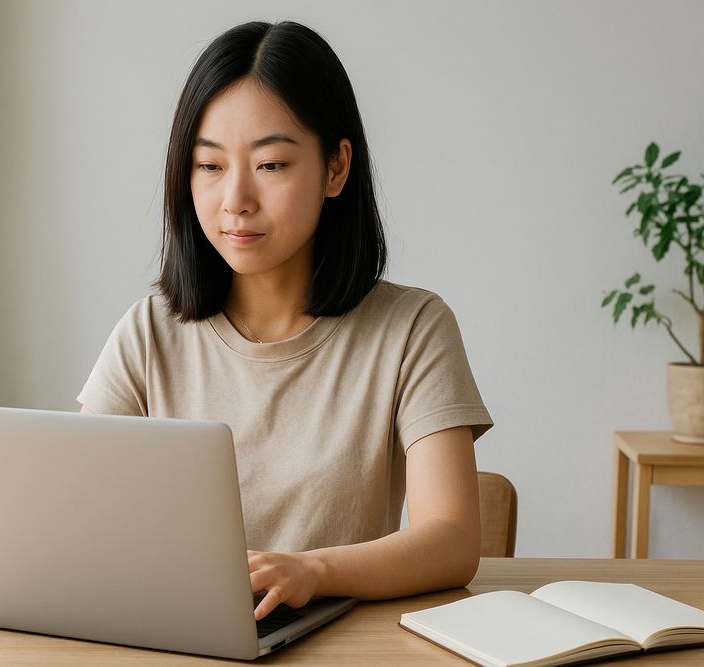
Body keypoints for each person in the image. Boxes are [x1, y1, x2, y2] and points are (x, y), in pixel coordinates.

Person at [77, 19, 493, 622]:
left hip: (339, 645)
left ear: (335, 169)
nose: (235, 198)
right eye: (210, 166)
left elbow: (453, 540)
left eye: (270, 165)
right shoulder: (148, 334)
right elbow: (75, 519)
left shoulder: (412, 328)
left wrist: (313, 571)